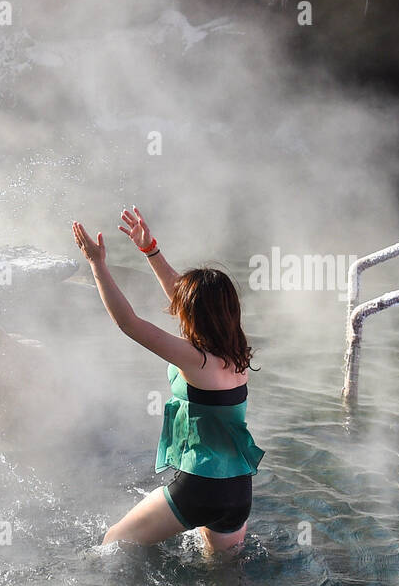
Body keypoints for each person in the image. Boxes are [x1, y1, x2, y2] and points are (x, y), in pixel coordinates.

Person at [71, 207, 264, 554]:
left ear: (195, 314)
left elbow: (129, 323)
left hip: (200, 487)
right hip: (238, 491)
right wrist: (150, 250)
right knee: (223, 583)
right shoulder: (235, 351)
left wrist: (97, 265)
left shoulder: (195, 359)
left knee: (112, 543)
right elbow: (187, 297)